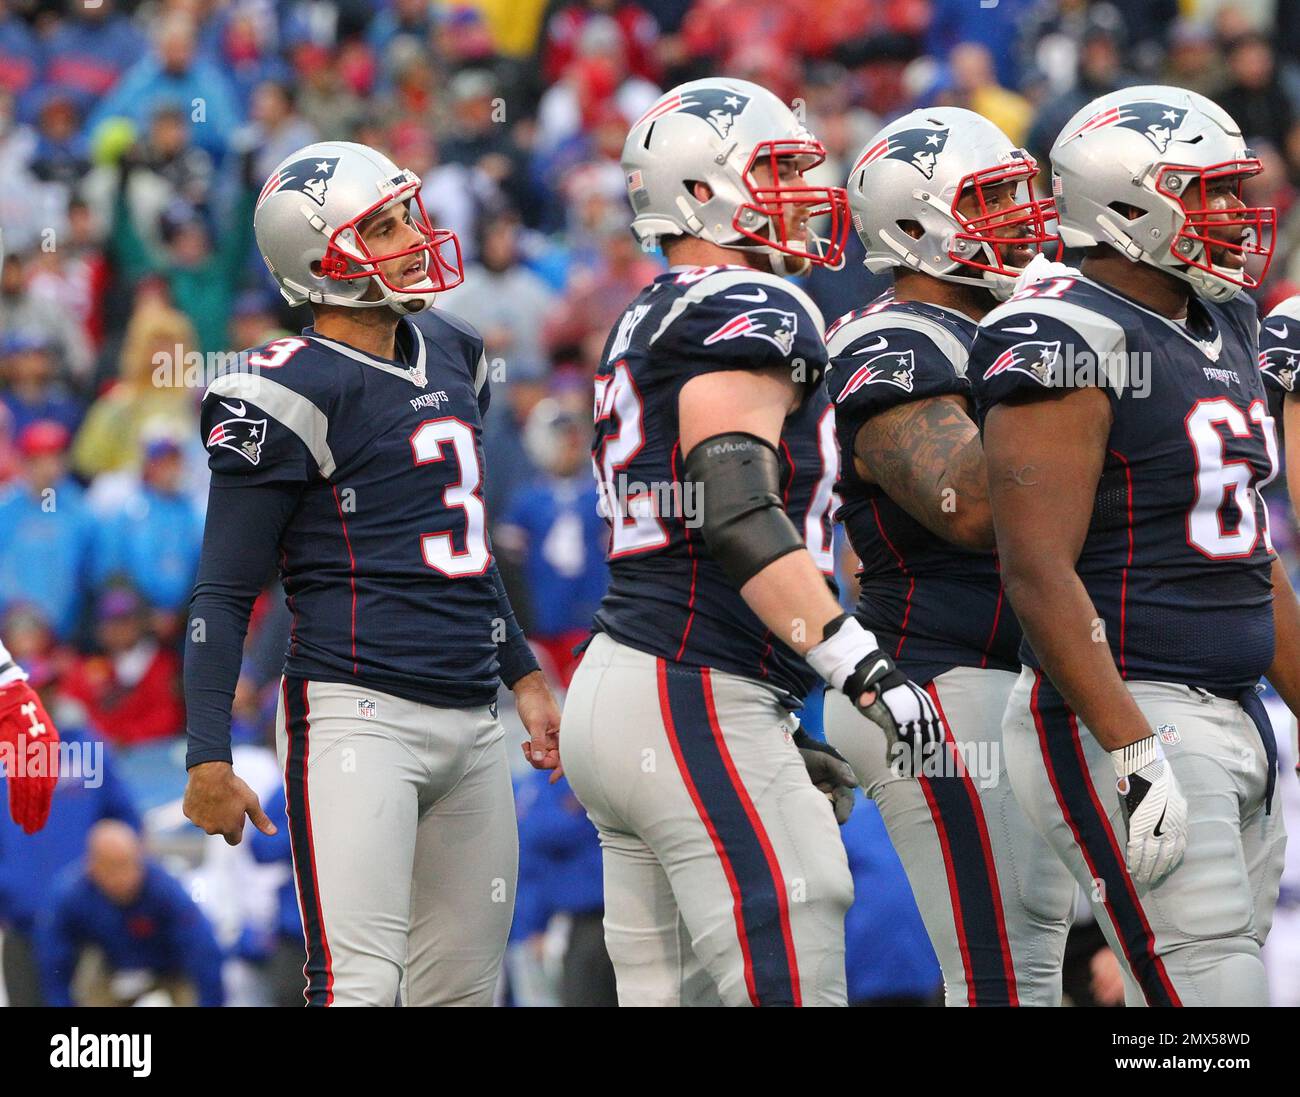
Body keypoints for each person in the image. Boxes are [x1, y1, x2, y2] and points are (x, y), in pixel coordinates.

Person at [560, 79, 946, 1007]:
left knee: (673, 992)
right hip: (692, 679)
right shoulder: (750, 303)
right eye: (775, 171)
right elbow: (731, 505)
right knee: (796, 933)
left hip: (633, 680)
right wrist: (856, 661)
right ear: (701, 191)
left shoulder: (652, 308)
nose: (802, 194)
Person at [181, 141, 562, 1007]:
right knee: (356, 985)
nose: (413, 236)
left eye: (405, 214)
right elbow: (223, 590)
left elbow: (457, 544)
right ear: (323, 263)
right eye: (382, 226)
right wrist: (206, 750)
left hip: (472, 714)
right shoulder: (280, 391)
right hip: (358, 714)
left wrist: (522, 670)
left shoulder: (454, 348)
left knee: (463, 990)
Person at [970, 85, 1296, 1005]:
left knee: (1217, 991)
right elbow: (1035, 568)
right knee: (1211, 1001)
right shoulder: (1061, 332)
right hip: (1126, 706)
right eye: (1210, 191)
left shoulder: (1223, 315)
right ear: (1124, 201)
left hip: (1237, 707)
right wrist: (1131, 745)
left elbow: (1244, 549)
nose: (1235, 213)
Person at [821, 107, 1076, 1006]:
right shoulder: (891, 340)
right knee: (1001, 970)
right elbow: (965, 506)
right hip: (937, 678)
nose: (1025, 215)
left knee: (1038, 962)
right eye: (994, 199)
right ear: (917, 222)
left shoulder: (998, 323)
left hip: (1013, 673)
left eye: (1021, 193)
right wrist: (1052, 364)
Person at [36, 819, 224, 1006]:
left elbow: (204, 951)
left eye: (128, 864)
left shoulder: (165, 891)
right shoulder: (71, 897)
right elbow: (55, 961)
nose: (123, 878)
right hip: (112, 967)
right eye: (112, 867)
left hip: (171, 969)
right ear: (92, 866)